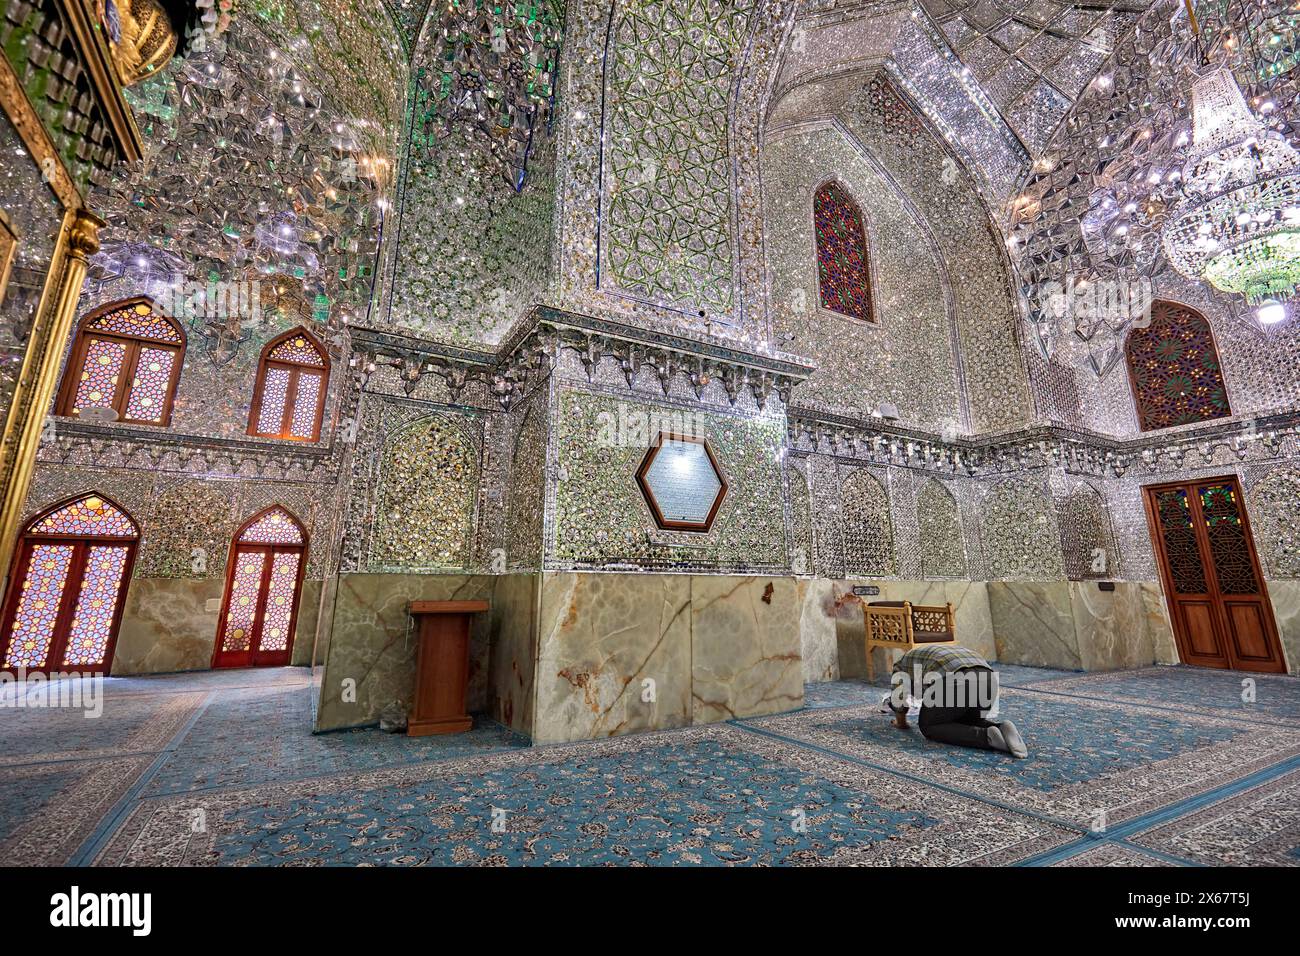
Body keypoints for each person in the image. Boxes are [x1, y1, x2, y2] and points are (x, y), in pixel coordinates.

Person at [886, 643, 1027, 758]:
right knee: (966, 721)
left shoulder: (900, 665)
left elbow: (898, 699)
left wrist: (901, 722)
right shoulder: (932, 652)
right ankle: (1001, 728)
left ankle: (986, 737)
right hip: (989, 681)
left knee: (929, 725)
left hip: (956, 680)